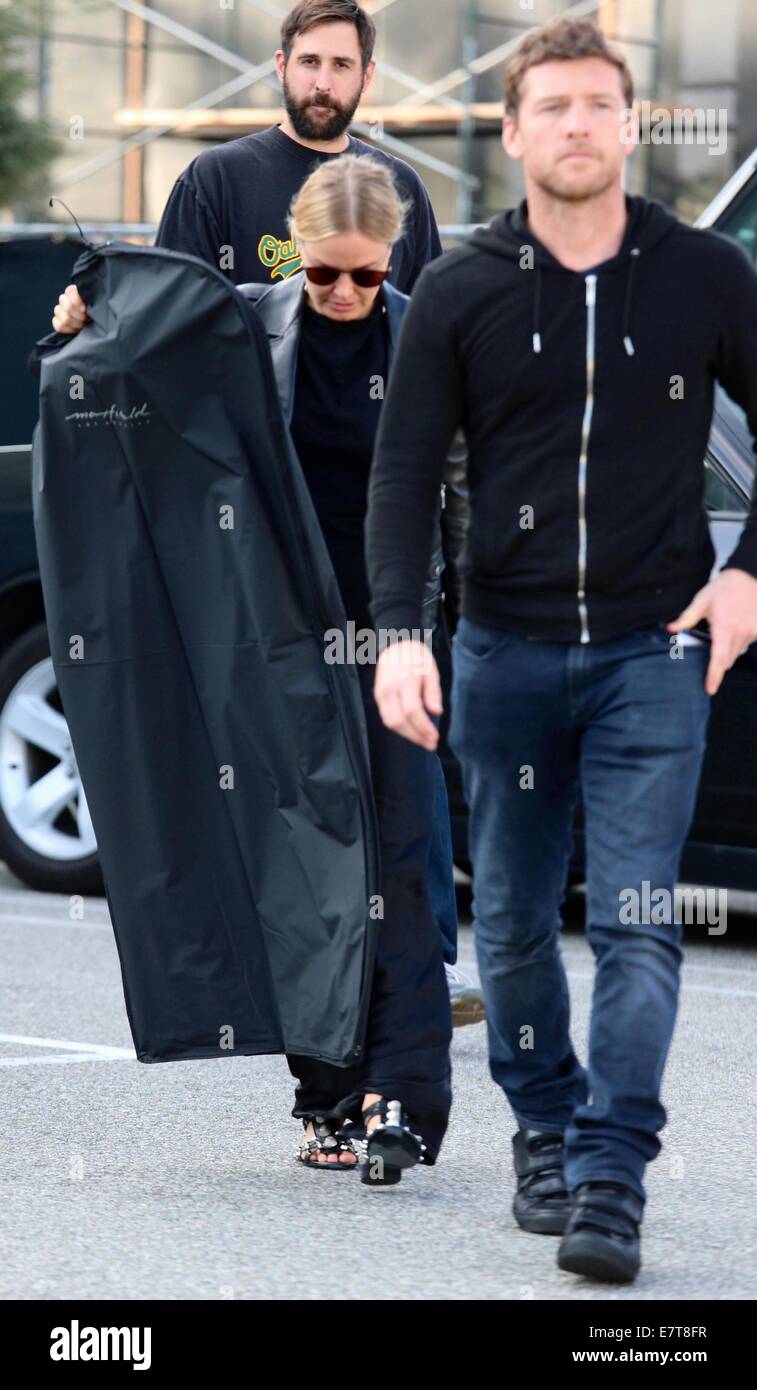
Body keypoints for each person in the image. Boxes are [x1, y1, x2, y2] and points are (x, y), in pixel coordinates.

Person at [365, 14, 757, 1274]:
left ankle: (608, 1174)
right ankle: (544, 1127)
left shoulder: (704, 276)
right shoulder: (464, 291)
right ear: (513, 130)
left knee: (638, 919)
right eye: (555, 106)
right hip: (504, 658)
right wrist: (395, 637)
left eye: (600, 103)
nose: (578, 124)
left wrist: (748, 575)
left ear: (630, 122)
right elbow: (402, 474)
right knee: (520, 929)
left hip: (655, 654)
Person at [49, 154, 458, 1185]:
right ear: (296, 252)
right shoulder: (242, 323)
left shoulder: (423, 338)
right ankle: (325, 1092)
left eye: (365, 276)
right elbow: (132, 337)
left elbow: (465, 489)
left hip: (395, 633)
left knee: (400, 860)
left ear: (394, 261)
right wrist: (79, 316)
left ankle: (401, 1095)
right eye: (325, 274)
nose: (344, 296)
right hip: (278, 640)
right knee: (306, 863)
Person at [154, 0, 484, 1025]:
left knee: (407, 770)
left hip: (384, 537)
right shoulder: (217, 182)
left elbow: (434, 356)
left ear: (367, 73)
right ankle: (302, 986)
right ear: (281, 63)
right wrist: (84, 310)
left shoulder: (402, 190)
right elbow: (163, 324)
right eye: (310, 59)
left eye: (344, 62)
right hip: (269, 538)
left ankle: (419, 975)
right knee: (294, 779)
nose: (325, 78)